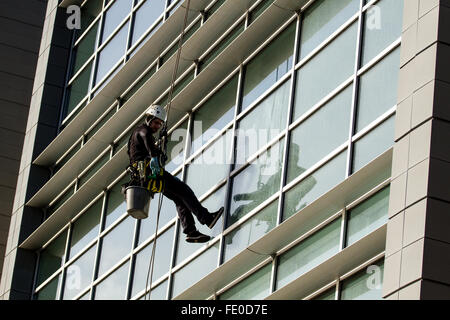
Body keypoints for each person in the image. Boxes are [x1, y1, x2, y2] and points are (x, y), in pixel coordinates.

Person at [127, 104, 224, 243]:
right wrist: (154, 156)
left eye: (159, 124)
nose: (157, 126)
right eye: (155, 122)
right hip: (150, 174)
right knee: (184, 190)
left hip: (146, 178)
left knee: (179, 198)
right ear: (148, 119)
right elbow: (147, 142)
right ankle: (207, 218)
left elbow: (141, 151)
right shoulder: (142, 131)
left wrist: (157, 151)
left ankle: (191, 232)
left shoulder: (136, 137)